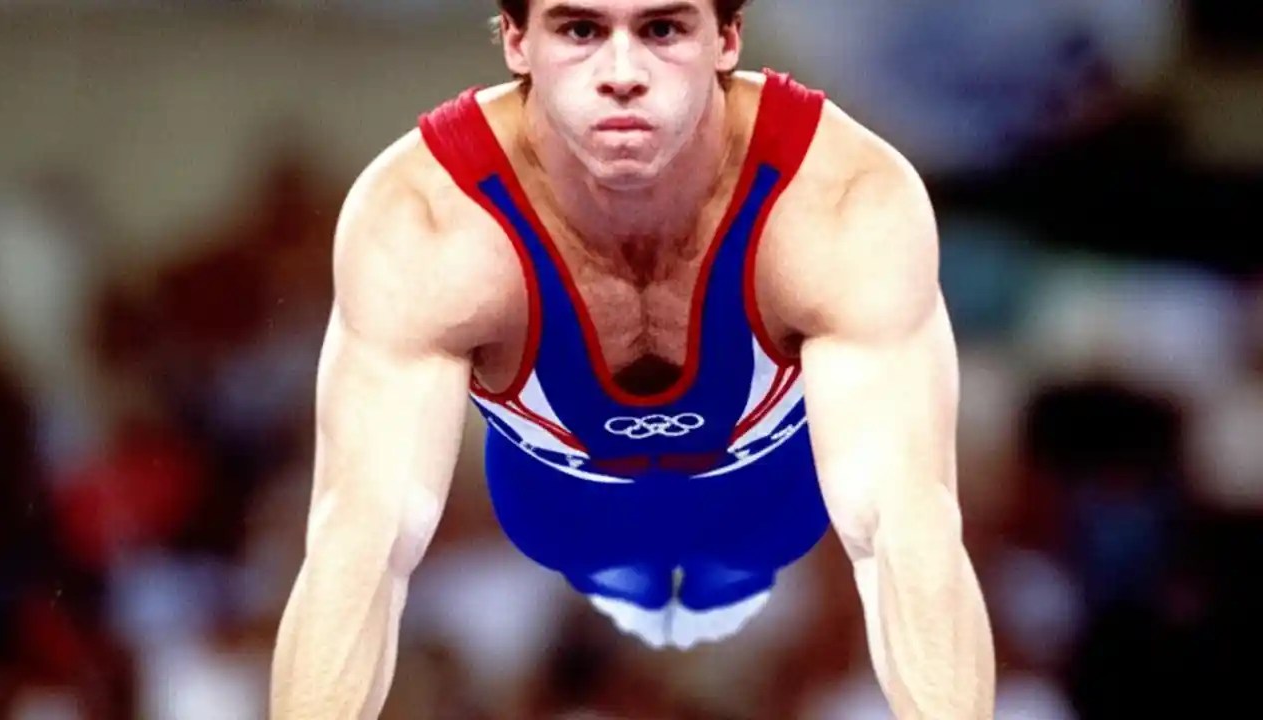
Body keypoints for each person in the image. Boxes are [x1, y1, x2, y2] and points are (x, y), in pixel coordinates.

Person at [270, 1, 996, 718]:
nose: (623, 73)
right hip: (561, 504)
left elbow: (906, 534)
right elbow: (359, 546)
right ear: (517, 41)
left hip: (767, 501)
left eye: (663, 28)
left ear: (727, 38)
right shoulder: (426, 217)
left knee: (842, 533)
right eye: (581, 29)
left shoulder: (841, 200)